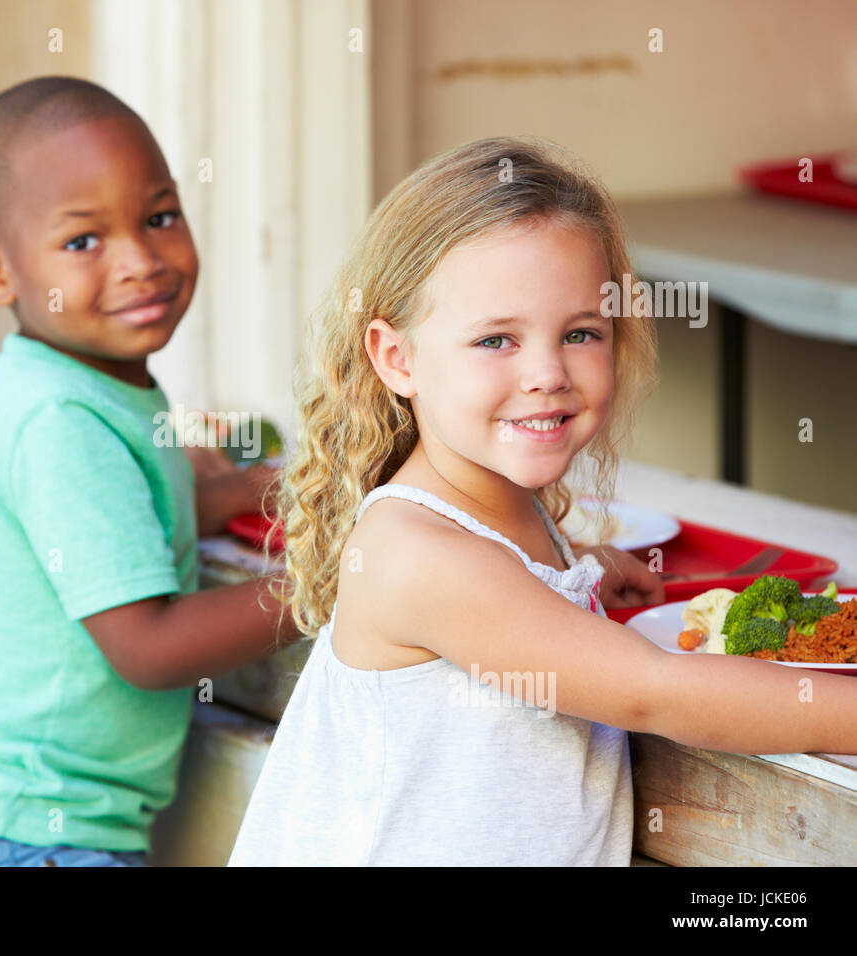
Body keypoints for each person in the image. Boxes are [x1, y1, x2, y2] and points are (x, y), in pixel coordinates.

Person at [228, 136, 857, 866]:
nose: (547, 373)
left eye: (580, 333)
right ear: (397, 359)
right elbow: (652, 692)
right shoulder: (419, 554)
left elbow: (503, 607)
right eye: (497, 340)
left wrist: (578, 566)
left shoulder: (493, 518)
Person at [0, 76, 299, 867]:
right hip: (28, 834)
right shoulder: (61, 419)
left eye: (159, 217)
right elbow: (150, 648)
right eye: (83, 242)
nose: (141, 260)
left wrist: (247, 492)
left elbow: (92, 515)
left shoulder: (60, 380)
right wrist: (340, 578)